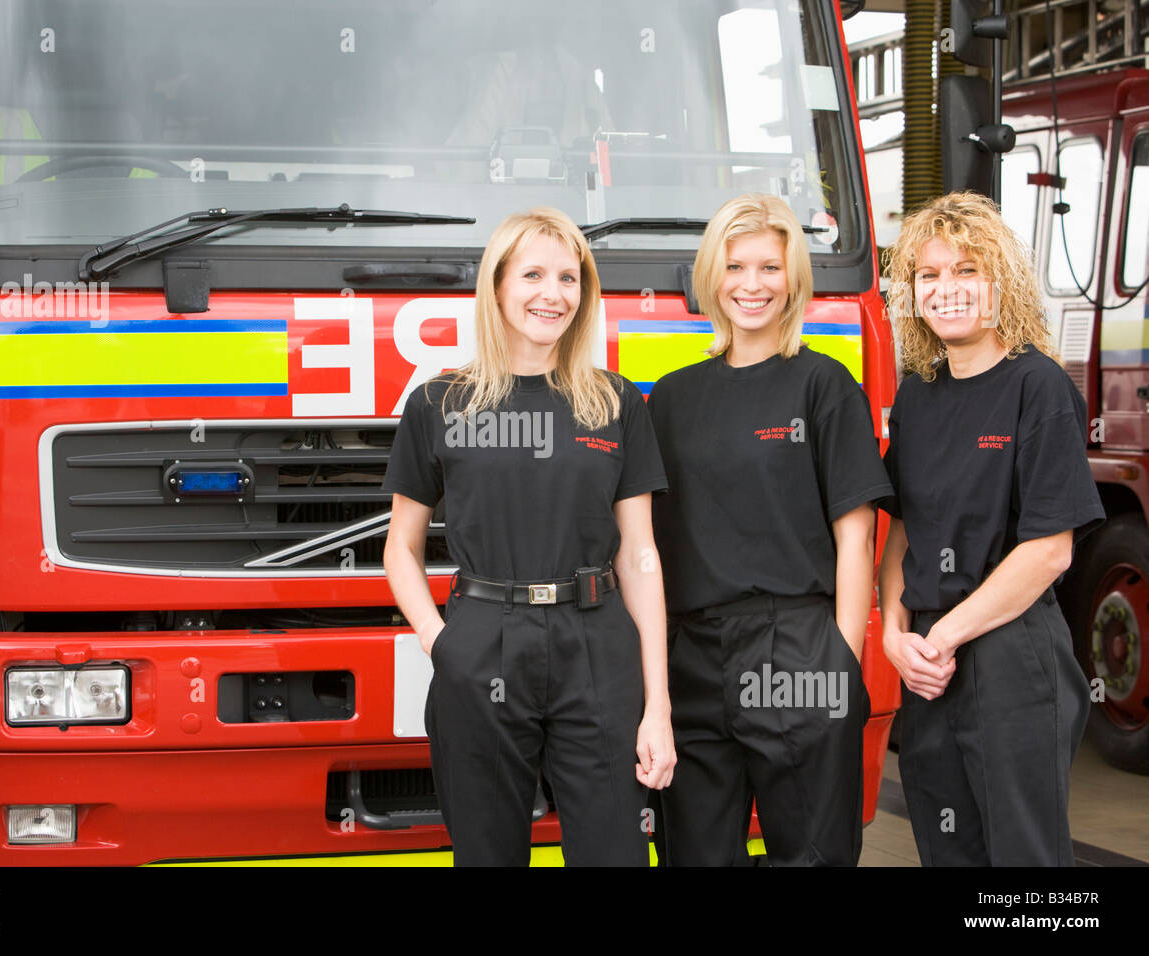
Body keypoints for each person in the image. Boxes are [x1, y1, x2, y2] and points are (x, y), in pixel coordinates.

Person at [382, 206, 675, 866]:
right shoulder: (439, 404)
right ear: (497, 286)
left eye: (569, 278)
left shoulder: (616, 402)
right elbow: (400, 547)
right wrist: (442, 642)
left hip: (598, 646)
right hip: (481, 643)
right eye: (534, 275)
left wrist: (656, 705)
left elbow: (641, 555)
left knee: (616, 854)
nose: (553, 294)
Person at [648, 193, 890, 866]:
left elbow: (856, 536)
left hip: (799, 647)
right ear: (711, 277)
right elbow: (649, 548)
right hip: (692, 655)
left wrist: (842, 663)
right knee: (694, 854)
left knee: (811, 854)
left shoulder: (824, 385)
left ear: (793, 281)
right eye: (735, 267)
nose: (751, 285)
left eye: (769, 268)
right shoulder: (670, 397)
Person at [878, 191, 1103, 866]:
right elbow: (904, 530)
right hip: (928, 659)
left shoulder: (1038, 387)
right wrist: (894, 633)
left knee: (1023, 859)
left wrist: (940, 635)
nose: (947, 290)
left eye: (967, 271)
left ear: (1000, 281)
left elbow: (1049, 551)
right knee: (947, 845)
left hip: (1010, 652)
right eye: (930, 275)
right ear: (913, 293)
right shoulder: (918, 391)